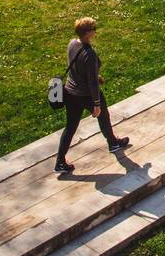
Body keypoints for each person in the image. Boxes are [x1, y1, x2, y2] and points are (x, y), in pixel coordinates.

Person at [54, 17, 129, 174]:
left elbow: (76, 67)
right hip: (87, 94)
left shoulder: (72, 44)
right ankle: (113, 143)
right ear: (88, 33)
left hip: (70, 92)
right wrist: (96, 103)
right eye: (94, 28)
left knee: (70, 128)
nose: (96, 30)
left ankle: (60, 162)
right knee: (103, 116)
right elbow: (93, 83)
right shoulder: (90, 55)